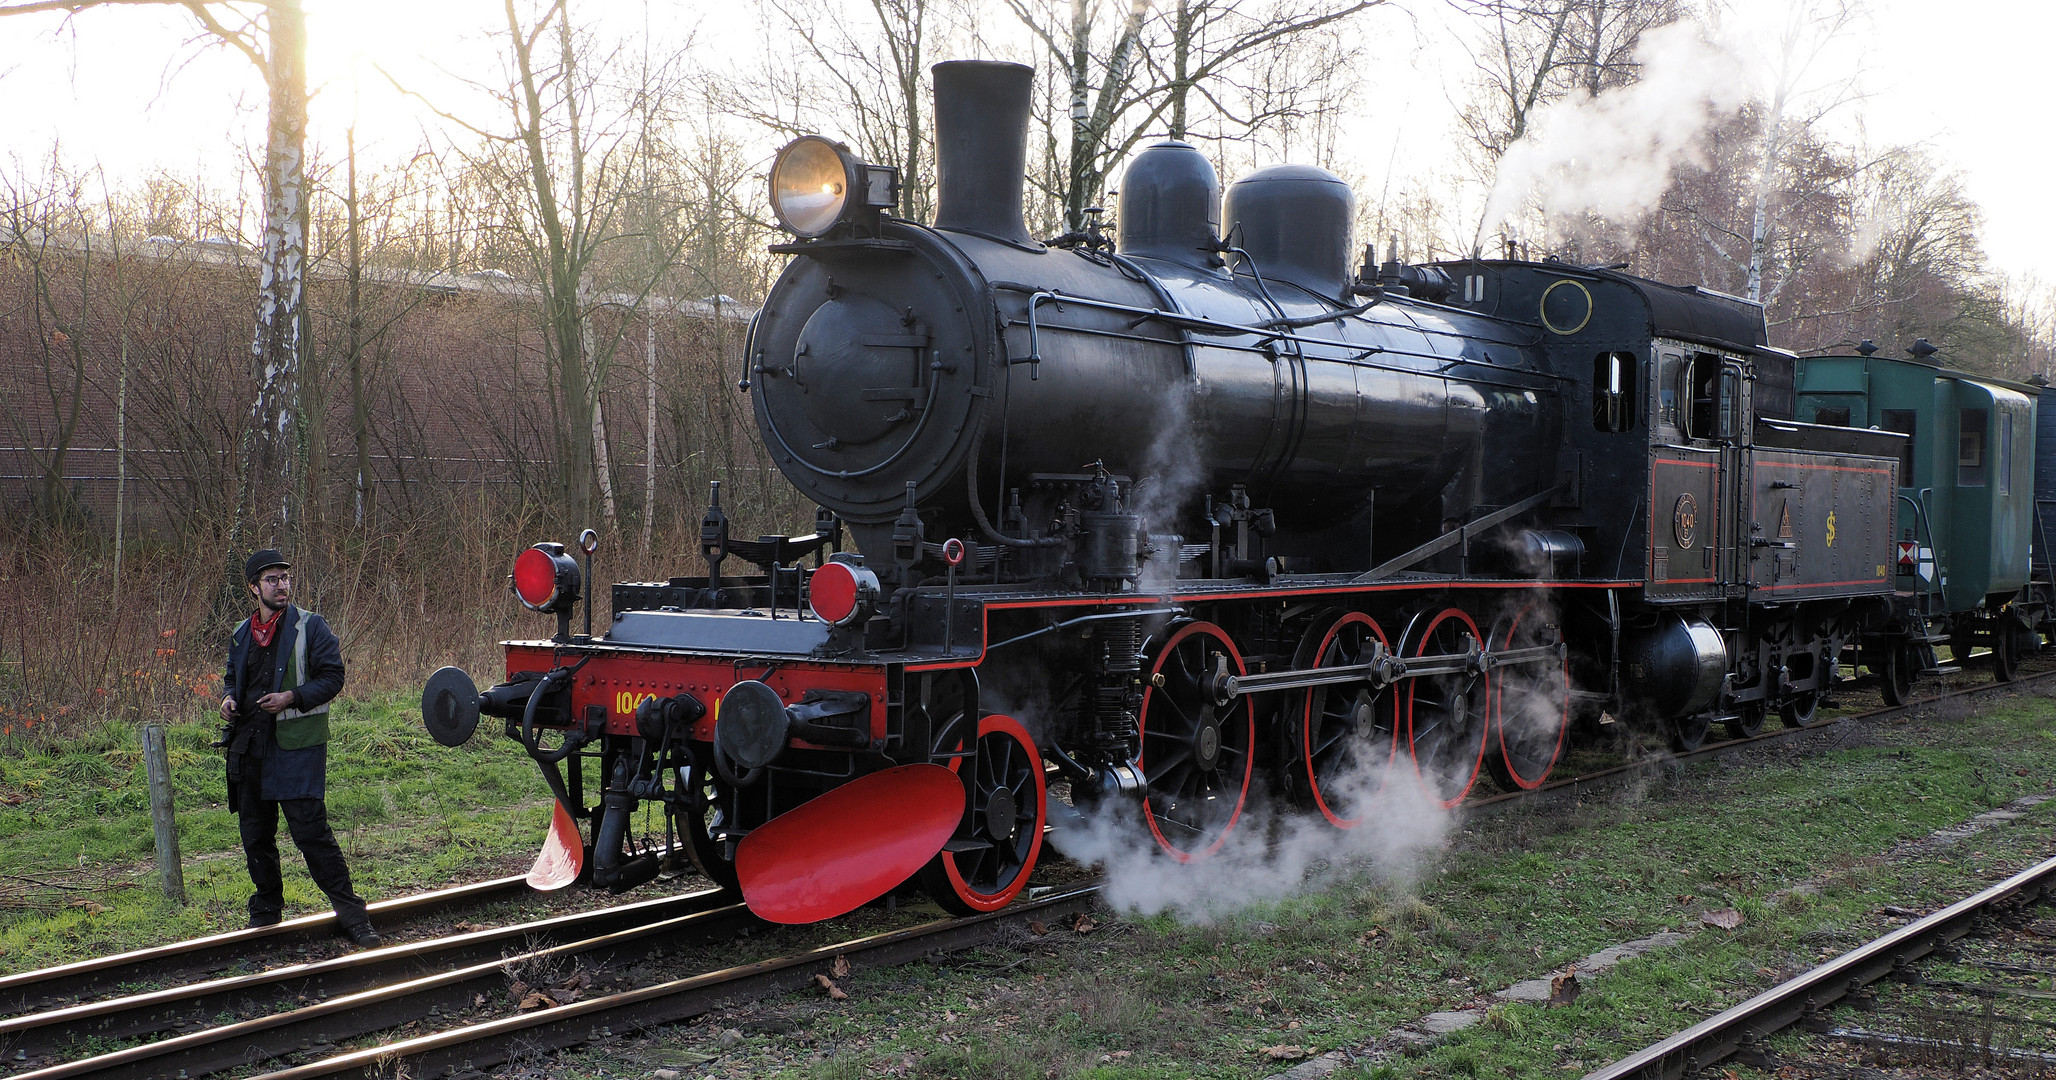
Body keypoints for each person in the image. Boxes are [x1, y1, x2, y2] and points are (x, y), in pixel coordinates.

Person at [220, 549, 380, 948]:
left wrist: (291, 697)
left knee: (312, 835)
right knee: (255, 835)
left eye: (285, 578)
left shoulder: (311, 626)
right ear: (254, 588)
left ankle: (354, 917)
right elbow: (232, 676)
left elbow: (333, 677)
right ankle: (266, 914)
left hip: (295, 749)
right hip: (248, 748)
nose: (282, 586)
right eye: (272, 579)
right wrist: (227, 697)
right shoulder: (241, 632)